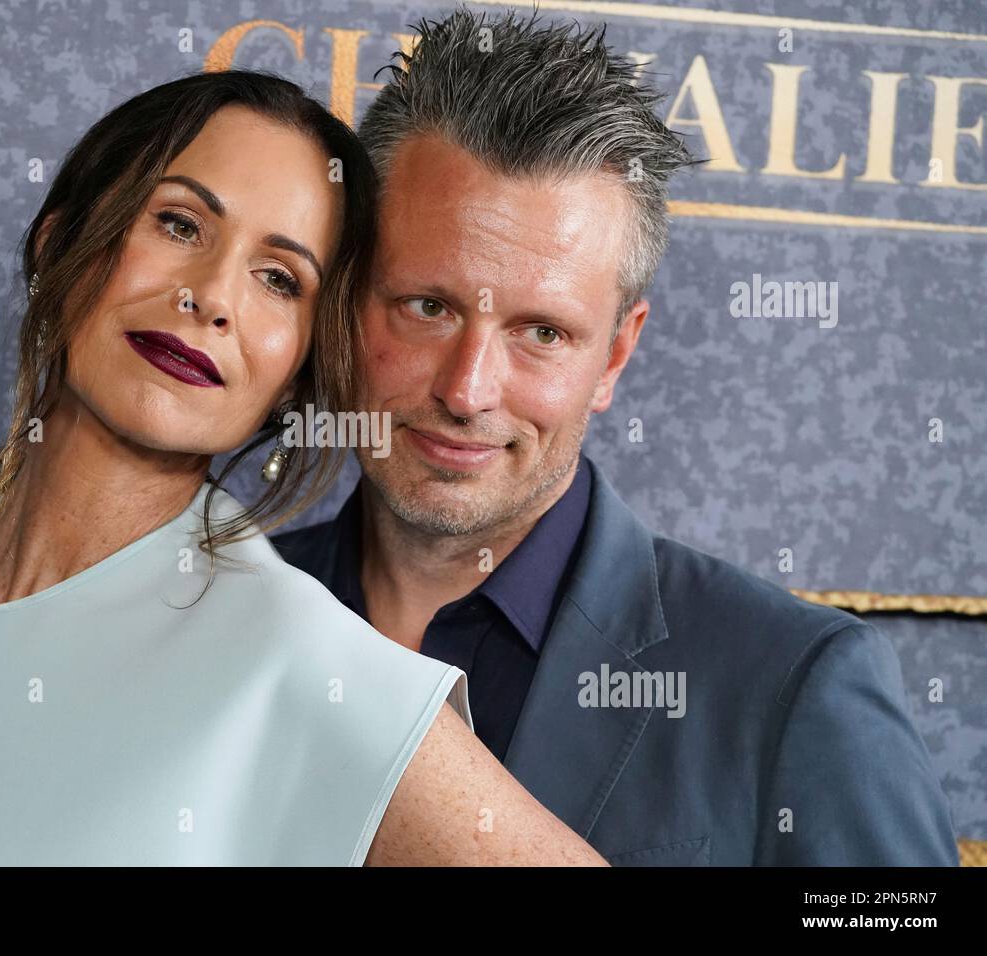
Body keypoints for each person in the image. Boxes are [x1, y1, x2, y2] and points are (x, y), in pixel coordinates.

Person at [0, 70, 605, 867]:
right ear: (57, 242)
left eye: (279, 279)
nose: (209, 296)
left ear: (298, 372)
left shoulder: (303, 665)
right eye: (179, 222)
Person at [273, 11, 960, 866]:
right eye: (428, 307)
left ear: (616, 354)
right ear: (347, 297)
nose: (468, 390)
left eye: (543, 333)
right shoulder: (215, 615)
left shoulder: (793, 684)